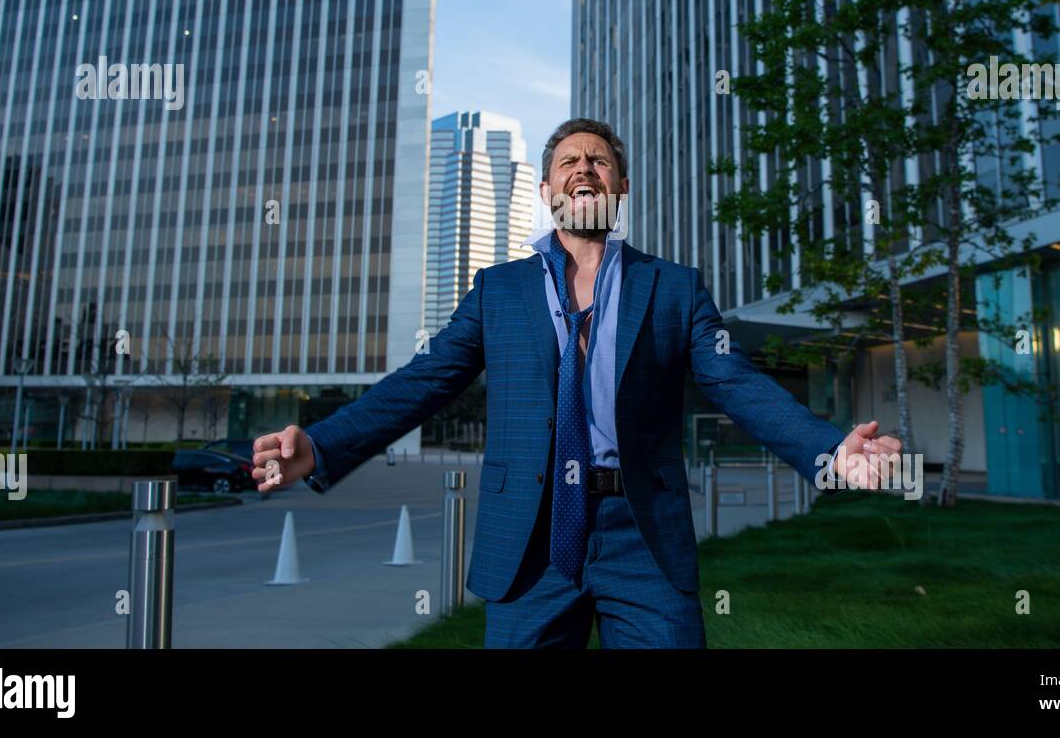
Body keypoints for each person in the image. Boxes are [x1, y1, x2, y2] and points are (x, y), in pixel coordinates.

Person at [253, 117, 902, 647]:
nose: (584, 167)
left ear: (621, 186)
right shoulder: (497, 290)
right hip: (529, 537)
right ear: (546, 189)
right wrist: (323, 444)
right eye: (569, 161)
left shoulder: (674, 288)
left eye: (599, 160)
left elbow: (733, 381)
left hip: (642, 533)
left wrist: (828, 449)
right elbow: (424, 380)